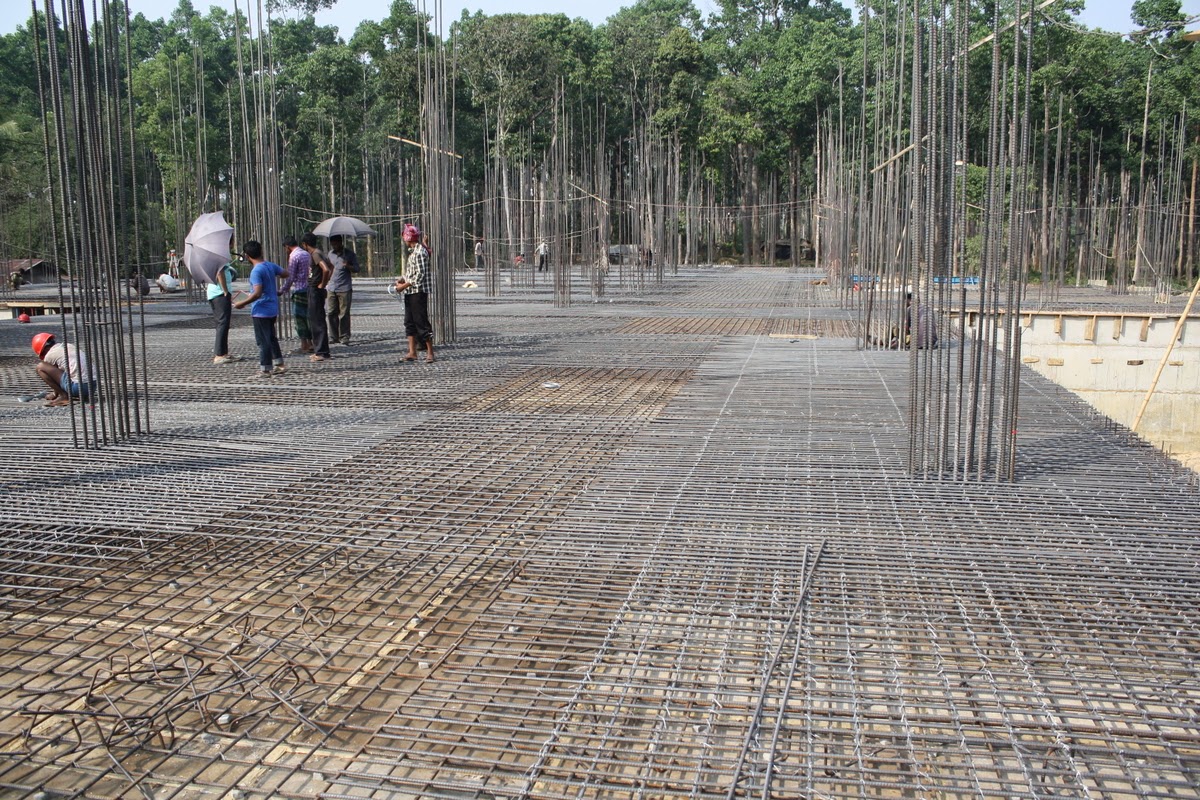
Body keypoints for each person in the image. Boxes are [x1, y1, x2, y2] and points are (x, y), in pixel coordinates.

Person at [233, 240, 288, 377]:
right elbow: (285, 273)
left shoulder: (256, 271)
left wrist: (242, 303)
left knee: (263, 341)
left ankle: (265, 368)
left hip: (261, 310)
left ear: (246, 256)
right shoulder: (269, 265)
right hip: (272, 308)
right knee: (271, 337)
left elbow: (257, 292)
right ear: (261, 251)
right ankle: (279, 364)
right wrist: (275, 289)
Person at [394, 223, 434, 363]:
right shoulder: (413, 253)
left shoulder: (419, 253)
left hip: (418, 292)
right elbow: (411, 274)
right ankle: (412, 352)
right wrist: (402, 280)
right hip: (410, 291)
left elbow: (419, 276)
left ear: (408, 237)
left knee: (421, 322)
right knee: (409, 322)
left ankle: (430, 353)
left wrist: (403, 286)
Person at [33, 331, 96, 407]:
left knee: (40, 367)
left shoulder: (50, 355)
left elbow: (54, 376)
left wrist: (55, 394)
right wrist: (54, 394)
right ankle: (84, 396)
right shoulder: (67, 346)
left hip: (78, 388)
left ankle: (64, 397)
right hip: (93, 386)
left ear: (44, 350)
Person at [207, 242, 243, 364]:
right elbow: (219, 273)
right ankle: (219, 354)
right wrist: (225, 291)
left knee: (222, 323)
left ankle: (224, 352)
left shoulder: (214, 255)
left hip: (214, 293)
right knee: (223, 323)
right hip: (219, 293)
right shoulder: (219, 255)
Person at [301, 232, 333, 362]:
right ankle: (323, 351)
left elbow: (326, 269)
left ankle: (320, 352)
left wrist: (322, 284)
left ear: (305, 244)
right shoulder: (319, 252)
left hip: (315, 289)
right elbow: (331, 266)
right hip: (315, 289)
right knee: (319, 320)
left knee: (316, 321)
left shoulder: (315, 254)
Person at [281, 235, 313, 355]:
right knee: (309, 317)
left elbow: (291, 276)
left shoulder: (294, 256)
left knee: (299, 319)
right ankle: (312, 343)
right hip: (309, 289)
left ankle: (304, 344)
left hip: (299, 290)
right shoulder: (306, 254)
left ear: (287, 247)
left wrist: (283, 290)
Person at [325, 234, 358, 345]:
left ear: (340, 242)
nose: (334, 246)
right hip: (332, 287)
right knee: (331, 312)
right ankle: (333, 336)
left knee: (344, 313)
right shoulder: (330, 254)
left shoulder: (349, 254)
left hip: (344, 288)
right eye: (332, 244)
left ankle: (344, 336)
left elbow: (357, 269)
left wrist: (348, 266)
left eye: (336, 244)